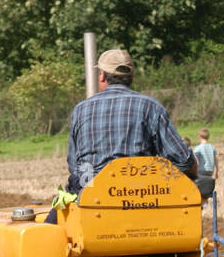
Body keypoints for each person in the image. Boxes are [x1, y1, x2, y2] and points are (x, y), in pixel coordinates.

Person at [62, 48, 196, 200]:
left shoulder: (80, 110)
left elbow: (74, 165)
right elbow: (183, 160)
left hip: (90, 198)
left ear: (103, 76)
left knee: (52, 219)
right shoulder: (150, 106)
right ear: (131, 77)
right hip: (142, 196)